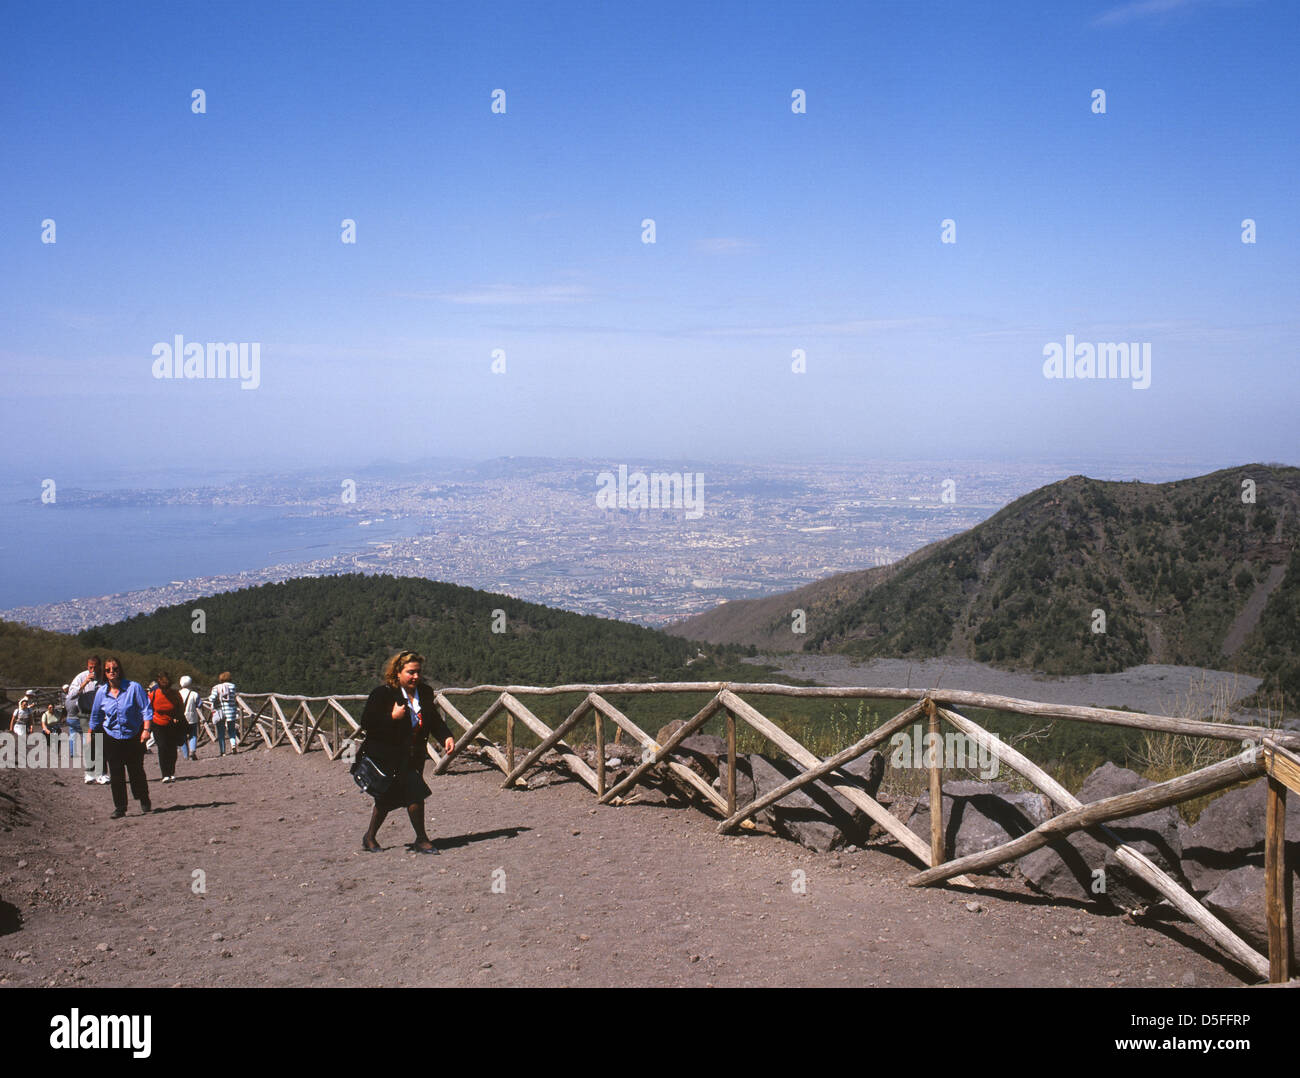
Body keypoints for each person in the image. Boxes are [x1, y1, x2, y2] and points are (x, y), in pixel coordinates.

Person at [359, 650, 455, 854]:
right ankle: (421, 839)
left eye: (418, 672)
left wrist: (446, 736)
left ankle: (369, 837)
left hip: (414, 755)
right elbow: (367, 723)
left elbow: (434, 721)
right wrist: (391, 717)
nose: (416, 677)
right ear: (397, 672)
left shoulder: (425, 692)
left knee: (386, 798)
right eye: (411, 672)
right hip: (388, 756)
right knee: (414, 793)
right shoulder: (383, 694)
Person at [88, 658, 152, 818]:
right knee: (116, 773)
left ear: (120, 670)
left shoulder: (134, 688)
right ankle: (120, 807)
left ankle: (143, 798)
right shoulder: (101, 693)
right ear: (104, 673)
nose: (112, 672)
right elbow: (96, 715)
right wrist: (90, 733)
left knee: (136, 770)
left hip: (133, 735)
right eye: (108, 670)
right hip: (112, 736)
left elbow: (146, 709)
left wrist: (146, 729)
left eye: (115, 669)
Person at [68, 657, 108, 784]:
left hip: (101, 715)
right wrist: (84, 683)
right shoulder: (81, 677)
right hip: (85, 714)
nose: (93, 670)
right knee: (89, 743)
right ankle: (89, 772)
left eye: (95, 667)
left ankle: (101, 773)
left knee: (101, 743)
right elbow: (71, 695)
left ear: (100, 666)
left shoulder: (104, 678)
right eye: (90, 667)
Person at [147, 672, 184, 782]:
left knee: (172, 749)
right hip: (158, 723)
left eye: (167, 688)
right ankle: (165, 774)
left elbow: (181, 708)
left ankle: (171, 771)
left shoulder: (176, 694)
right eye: (164, 688)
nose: (166, 690)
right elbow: (148, 709)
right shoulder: (153, 695)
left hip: (172, 723)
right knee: (162, 747)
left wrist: (178, 716)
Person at [209, 672, 239, 755]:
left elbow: (211, 698)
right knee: (231, 730)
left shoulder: (216, 687)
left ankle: (223, 751)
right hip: (231, 711)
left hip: (220, 712)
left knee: (221, 732)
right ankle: (233, 746)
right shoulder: (233, 687)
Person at [178, 675, 202, 760]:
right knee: (193, 735)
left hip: (180, 718)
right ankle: (193, 751)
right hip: (192, 717)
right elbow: (199, 705)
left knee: (182, 736)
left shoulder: (177, 694)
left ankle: (185, 755)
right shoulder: (194, 694)